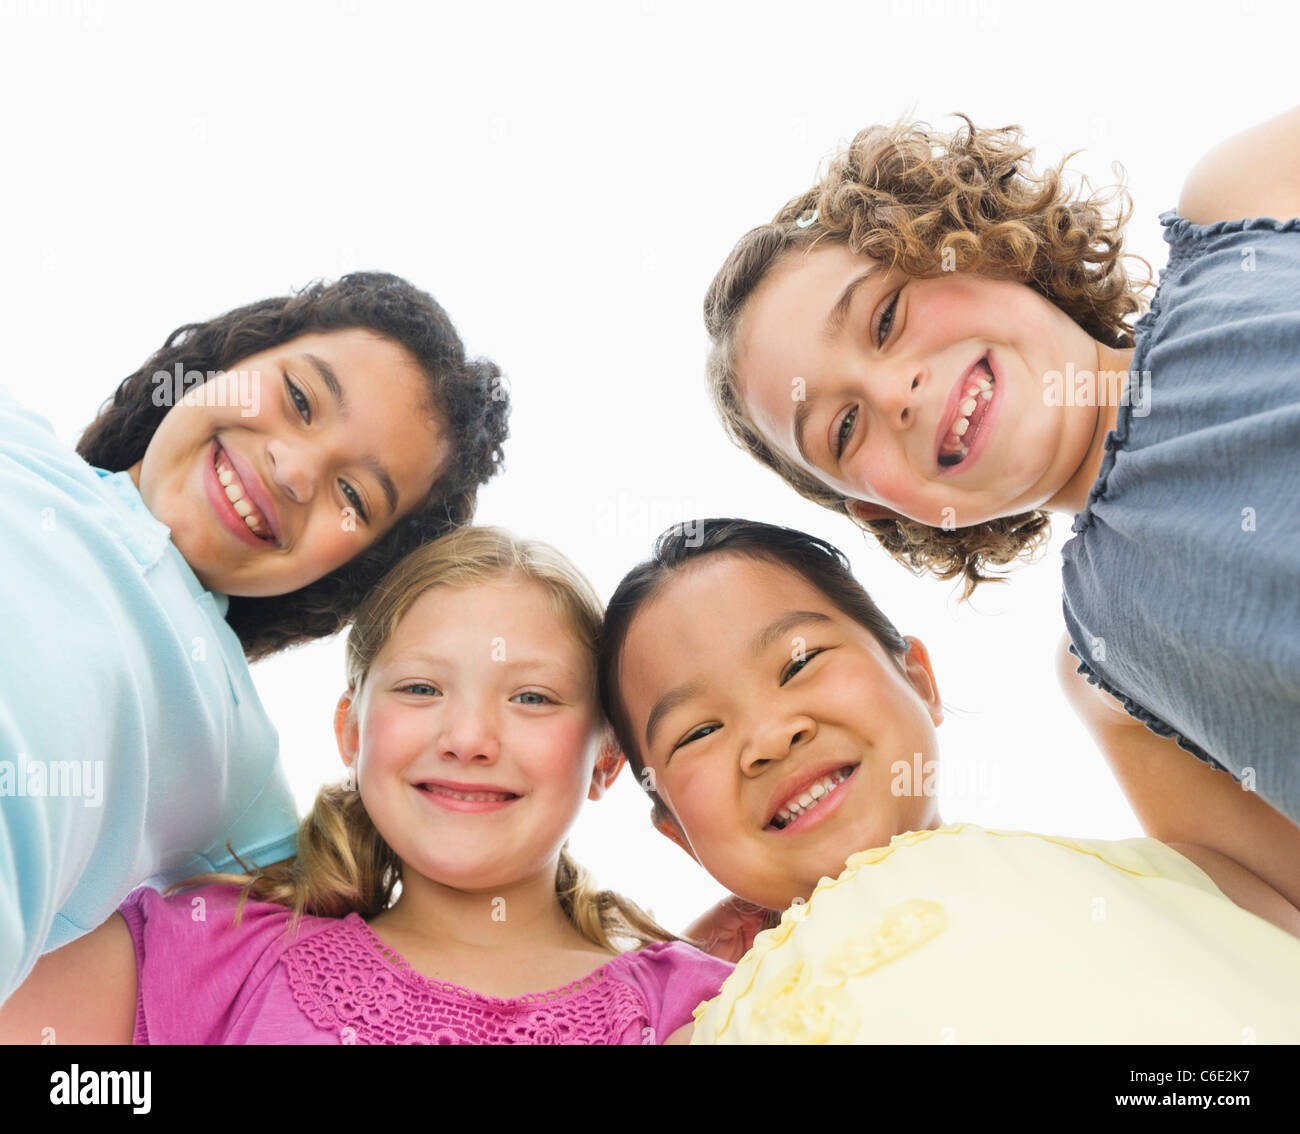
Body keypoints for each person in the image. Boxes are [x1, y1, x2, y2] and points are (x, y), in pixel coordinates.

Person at [699, 108, 1300, 839]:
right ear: (886, 511)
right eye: (845, 428)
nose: (895, 397)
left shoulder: (1248, 202)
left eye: (885, 319)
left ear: (966, 243)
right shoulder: (1112, 681)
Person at [0, 527, 732, 1044]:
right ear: (352, 733)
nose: (470, 739)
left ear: (605, 759)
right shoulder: (210, 954)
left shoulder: (698, 1006)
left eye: (532, 698)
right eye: (420, 688)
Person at [0, 272, 510, 1000]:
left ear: (349, 570)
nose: (297, 471)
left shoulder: (228, 747)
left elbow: (356, 963)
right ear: (235, 356)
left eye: (354, 497)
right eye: (300, 399)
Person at [597, 519, 1300, 1043]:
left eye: (800, 662)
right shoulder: (707, 1025)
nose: (769, 737)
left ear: (918, 678)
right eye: (697, 733)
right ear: (679, 838)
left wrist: (1087, 663)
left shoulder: (1166, 876)